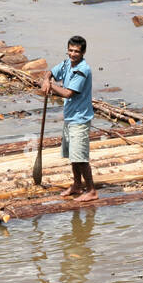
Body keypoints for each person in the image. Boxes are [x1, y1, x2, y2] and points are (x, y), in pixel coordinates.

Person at [41, 35, 96, 202]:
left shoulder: (82, 70)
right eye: (70, 50)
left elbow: (68, 93)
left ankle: (92, 190)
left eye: (77, 52)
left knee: (80, 157)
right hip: (70, 117)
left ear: (83, 52)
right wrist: (46, 79)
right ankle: (77, 185)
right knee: (73, 156)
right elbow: (50, 71)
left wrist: (51, 86)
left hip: (80, 118)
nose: (73, 54)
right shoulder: (67, 64)